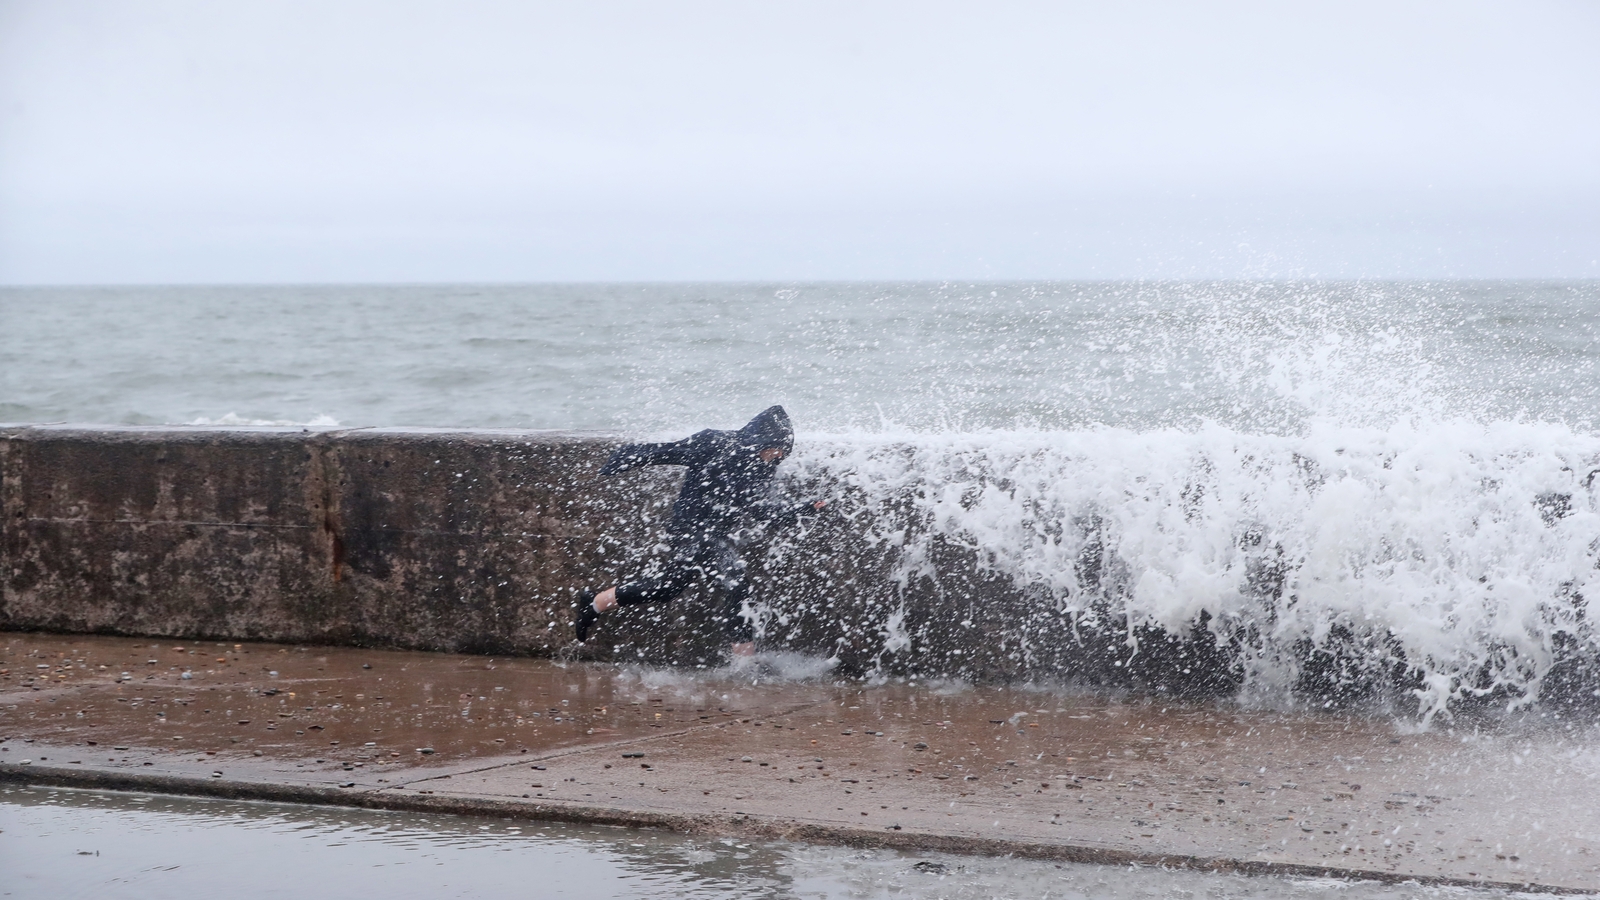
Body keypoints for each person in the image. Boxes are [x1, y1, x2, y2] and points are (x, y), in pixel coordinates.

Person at [575, 405, 825, 658]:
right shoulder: (715, 442)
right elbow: (664, 452)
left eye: (784, 450)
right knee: (736, 585)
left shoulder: (763, 465)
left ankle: (594, 604)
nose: (779, 454)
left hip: (715, 534)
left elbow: (761, 511)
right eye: (778, 446)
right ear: (762, 438)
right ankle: (745, 664)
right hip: (688, 529)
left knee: (667, 588)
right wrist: (621, 459)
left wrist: (804, 509)